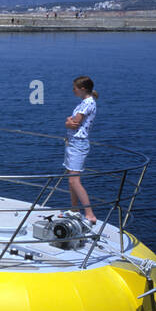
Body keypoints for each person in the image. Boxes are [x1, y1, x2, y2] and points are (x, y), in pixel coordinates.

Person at [64, 75, 99, 223]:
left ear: (82, 89)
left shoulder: (87, 103)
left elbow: (75, 122)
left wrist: (68, 122)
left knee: (74, 181)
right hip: (74, 143)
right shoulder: (84, 103)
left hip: (78, 144)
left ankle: (89, 214)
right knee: (71, 179)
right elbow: (71, 120)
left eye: (75, 88)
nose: (73, 90)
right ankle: (74, 209)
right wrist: (68, 121)